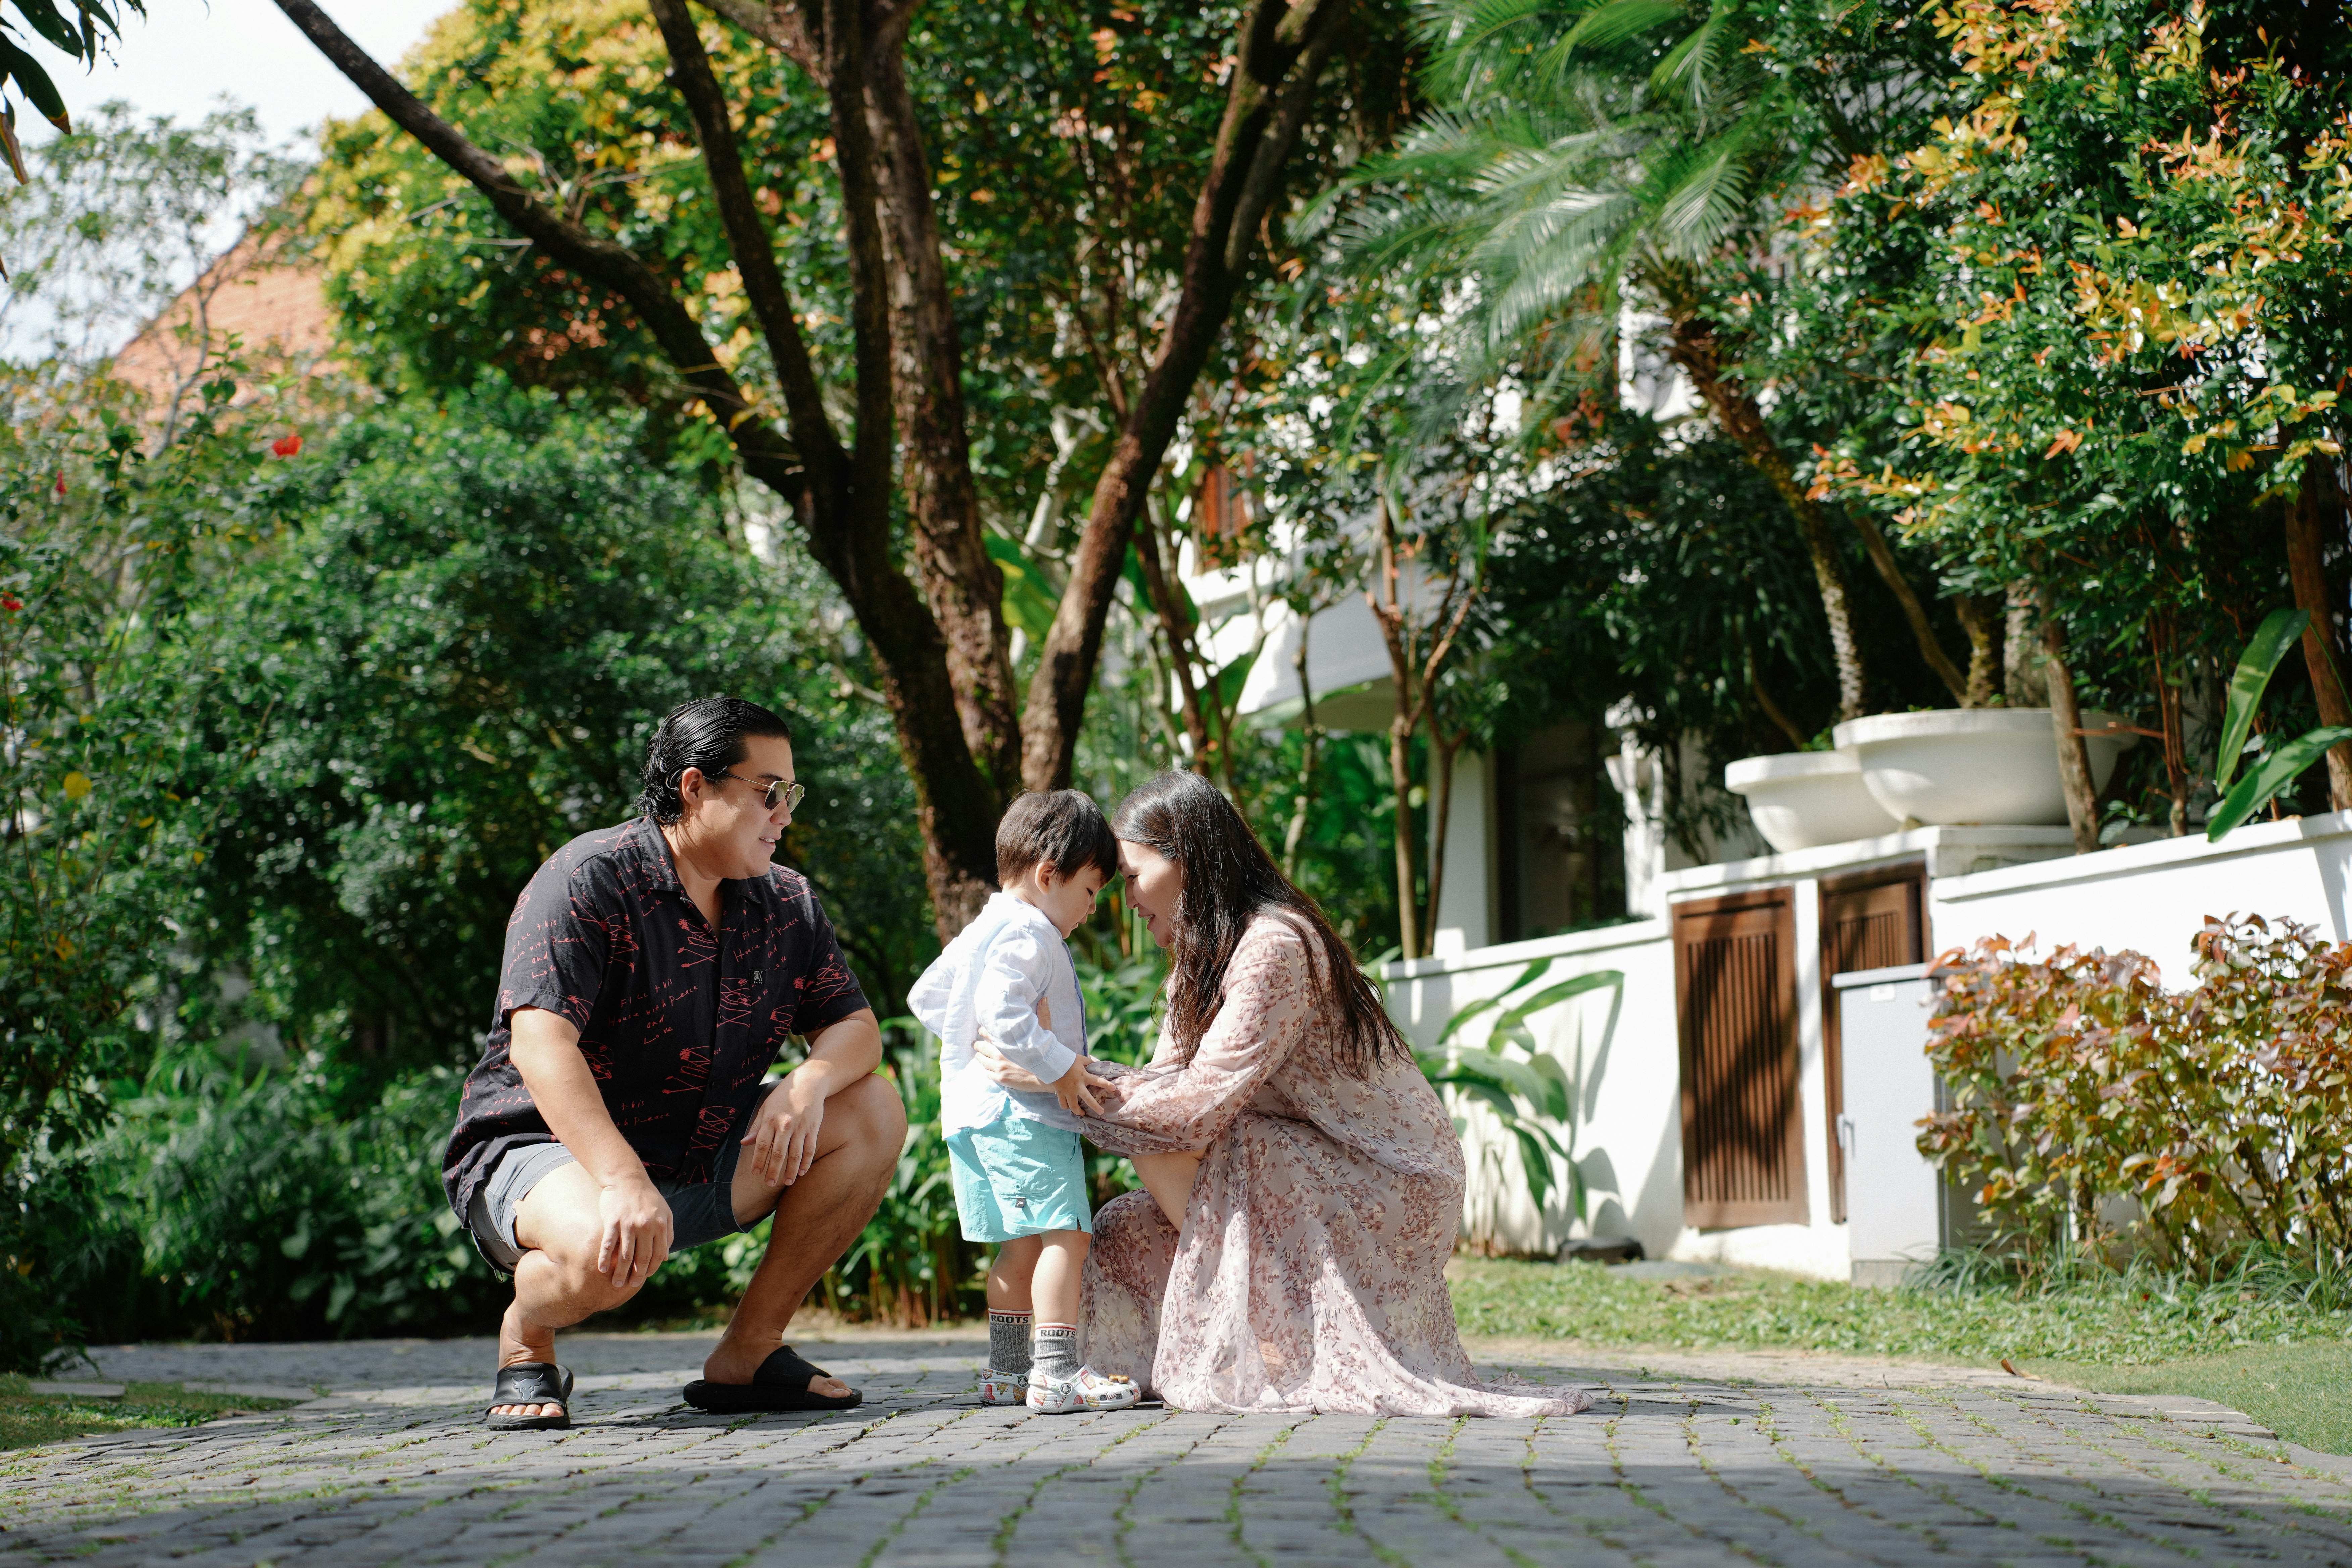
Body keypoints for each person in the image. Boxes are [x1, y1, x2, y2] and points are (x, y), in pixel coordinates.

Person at [979, 770, 1587, 1417]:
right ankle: (1216, 1350)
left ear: (1189, 858)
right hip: (1297, 1164)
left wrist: (1062, 1071)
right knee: (1123, 1230)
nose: (1124, 898)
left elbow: (1193, 1108)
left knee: (1196, 1137)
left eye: (1132, 876)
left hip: (1388, 1181)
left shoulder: (1275, 945)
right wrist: (1066, 1073)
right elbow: (1165, 1087)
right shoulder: (1199, 958)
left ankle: (1283, 1348)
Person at [443, 696, 906, 1430]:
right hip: (544, 1151)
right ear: (695, 788)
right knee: (605, 1246)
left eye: (793, 792)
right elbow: (541, 1044)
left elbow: (855, 1026)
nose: (786, 811)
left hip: (691, 1159)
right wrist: (622, 1179)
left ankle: (749, 1353)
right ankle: (527, 1330)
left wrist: (808, 1083)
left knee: (872, 1108)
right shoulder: (588, 877)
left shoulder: (787, 901)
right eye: (769, 791)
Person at [908, 791, 1140, 1414]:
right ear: (1047, 875)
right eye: (1092, 890)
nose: (1093, 909)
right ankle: (1057, 1373)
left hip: (975, 1115)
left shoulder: (985, 926)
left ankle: (1008, 1374)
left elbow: (928, 998)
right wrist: (1059, 1065)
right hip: (1023, 1115)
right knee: (1068, 1237)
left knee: (1022, 1246)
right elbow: (1004, 1016)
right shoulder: (1032, 933)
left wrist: (971, 1050)